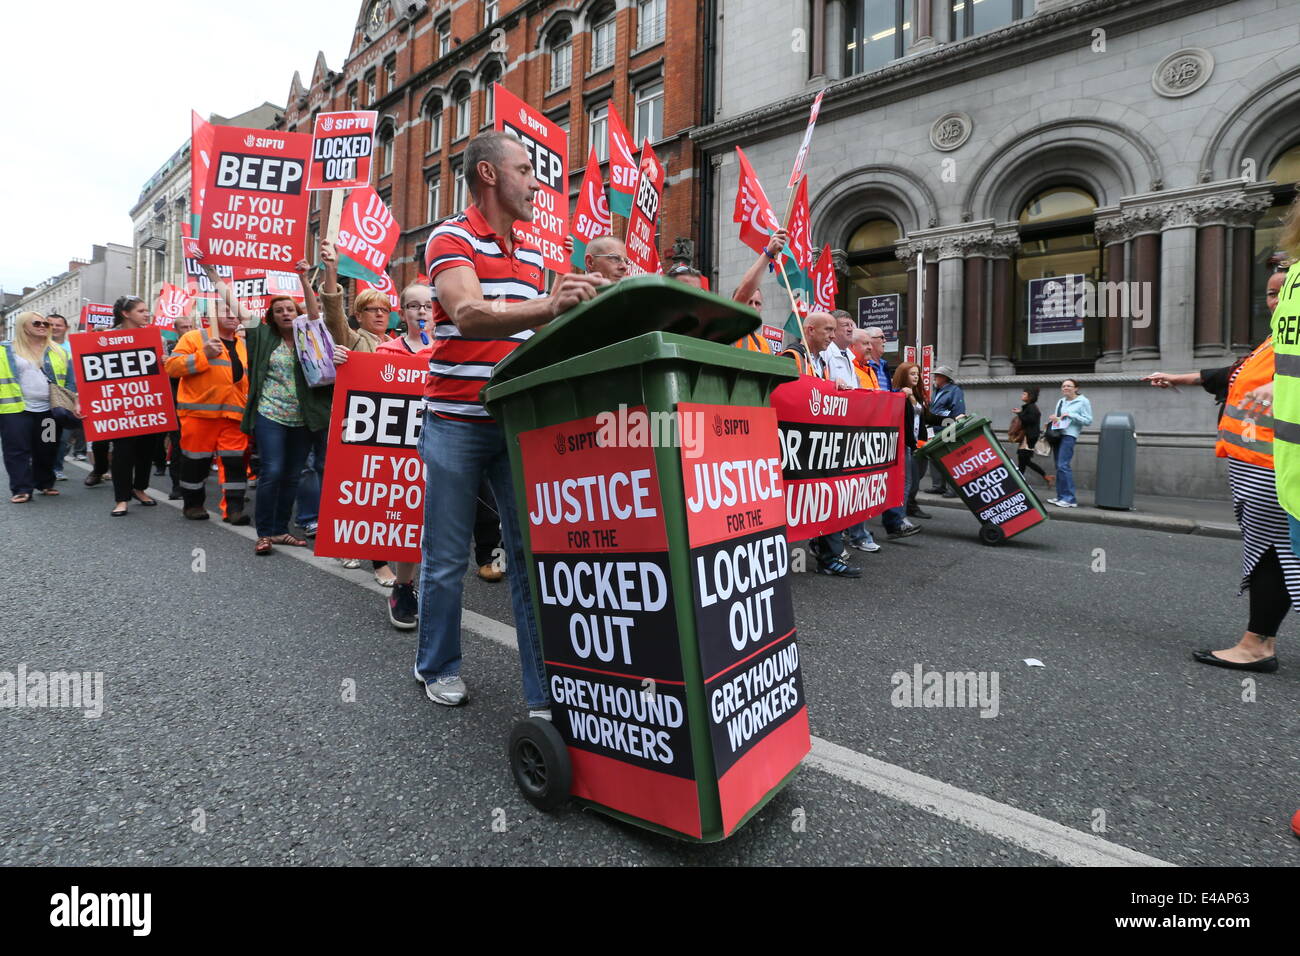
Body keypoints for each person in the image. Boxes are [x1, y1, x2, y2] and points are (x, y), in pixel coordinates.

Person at [417, 130, 607, 710]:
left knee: (528, 553)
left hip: (516, 421)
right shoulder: (450, 237)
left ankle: (544, 690)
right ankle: (437, 665)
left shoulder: (531, 252)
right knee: (448, 557)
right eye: (526, 170)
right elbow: (470, 314)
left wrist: (588, 310)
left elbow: (529, 330)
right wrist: (551, 304)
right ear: (490, 175)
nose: (537, 182)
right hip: (455, 422)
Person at [1143, 267, 1291, 672]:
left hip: (1277, 464)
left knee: (1276, 553)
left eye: (1285, 293)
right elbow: (1229, 376)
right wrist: (1176, 377)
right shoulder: (1274, 343)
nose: (1276, 301)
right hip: (1256, 463)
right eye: (1271, 294)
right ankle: (1259, 641)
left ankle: (1257, 645)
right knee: (1273, 551)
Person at [200, 256, 341, 555]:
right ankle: (263, 533)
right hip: (270, 414)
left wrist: (304, 278)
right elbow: (235, 304)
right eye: (279, 310)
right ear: (272, 316)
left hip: (303, 417)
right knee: (273, 471)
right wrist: (213, 275)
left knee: (292, 475)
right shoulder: (261, 335)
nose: (286, 313)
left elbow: (315, 312)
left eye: (290, 309)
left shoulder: (309, 333)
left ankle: (280, 530)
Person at [781, 312, 862, 577]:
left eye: (833, 330)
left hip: (816, 445)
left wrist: (831, 385)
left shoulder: (821, 363)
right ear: (810, 330)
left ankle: (828, 553)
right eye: (827, 330)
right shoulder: (791, 358)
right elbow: (787, 397)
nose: (831, 335)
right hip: (795, 447)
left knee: (828, 495)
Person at [164, 289, 250, 523]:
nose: (233, 316)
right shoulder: (194, 338)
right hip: (199, 414)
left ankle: (233, 509)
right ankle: (193, 505)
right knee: (196, 463)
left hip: (233, 417)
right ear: (212, 315)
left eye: (235, 312)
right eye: (226, 311)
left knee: (234, 465)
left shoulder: (243, 344)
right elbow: (172, 367)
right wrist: (203, 355)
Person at [0, 311, 77, 503]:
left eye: (46, 324)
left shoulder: (59, 351)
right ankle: (21, 489)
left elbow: (69, 381)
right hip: (15, 410)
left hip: (49, 411)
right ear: (22, 326)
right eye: (37, 323)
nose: (43, 326)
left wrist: (73, 401)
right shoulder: (5, 350)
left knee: (47, 447)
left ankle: (44, 483)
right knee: (17, 450)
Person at [99, 296, 161, 516]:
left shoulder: (153, 336)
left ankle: (140, 488)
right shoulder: (107, 337)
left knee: (146, 450)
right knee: (123, 451)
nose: (147, 314)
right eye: (141, 311)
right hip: (121, 404)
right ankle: (121, 498)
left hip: (148, 401)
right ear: (126, 314)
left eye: (147, 311)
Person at [730, 229, 789, 354]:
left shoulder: (765, 344)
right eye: (749, 302)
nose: (753, 307)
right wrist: (768, 254)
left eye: (757, 303)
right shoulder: (727, 331)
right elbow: (744, 292)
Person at [1044, 378, 1092, 508]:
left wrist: (1071, 415)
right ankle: (1061, 497)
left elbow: (1088, 421)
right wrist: (1053, 420)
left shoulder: (1083, 401)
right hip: (1058, 434)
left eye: (1069, 386)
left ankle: (1070, 499)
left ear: (1076, 388)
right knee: (1059, 466)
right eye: (1063, 386)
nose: (1065, 388)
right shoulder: (1061, 401)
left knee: (1063, 465)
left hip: (1069, 435)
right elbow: (1059, 418)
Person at [45, 313, 80, 480]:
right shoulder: (40, 347)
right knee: (49, 437)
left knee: (64, 438)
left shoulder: (73, 348)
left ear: (66, 328)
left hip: (67, 399)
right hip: (46, 402)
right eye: (50, 324)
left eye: (58, 325)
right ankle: (48, 467)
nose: (54, 328)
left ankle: (56, 466)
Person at [893, 362, 930, 519]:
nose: (916, 376)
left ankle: (905, 509)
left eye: (917, 374)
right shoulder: (899, 394)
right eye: (912, 374)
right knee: (908, 481)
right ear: (903, 375)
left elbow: (924, 419)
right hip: (906, 443)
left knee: (916, 477)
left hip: (918, 443)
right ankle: (900, 515)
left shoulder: (918, 394)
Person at [925, 365, 966, 497]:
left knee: (950, 458)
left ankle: (953, 489)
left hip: (949, 427)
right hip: (935, 428)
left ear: (944, 378)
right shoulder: (937, 390)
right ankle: (938, 486)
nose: (934, 378)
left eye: (937, 376)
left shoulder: (955, 390)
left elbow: (959, 411)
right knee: (934, 457)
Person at [1010, 386, 1051, 487]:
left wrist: (1020, 413)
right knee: (1025, 461)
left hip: (1028, 438)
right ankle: (1044, 476)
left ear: (1030, 396)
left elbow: (1030, 420)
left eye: (1024, 394)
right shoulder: (1029, 407)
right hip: (1027, 438)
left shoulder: (1031, 407)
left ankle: (1018, 484)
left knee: (1023, 461)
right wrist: (1021, 412)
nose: (1022, 395)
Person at [779, 311, 834, 379]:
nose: (833, 336)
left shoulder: (822, 363)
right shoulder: (792, 357)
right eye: (828, 329)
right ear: (811, 330)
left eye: (834, 331)